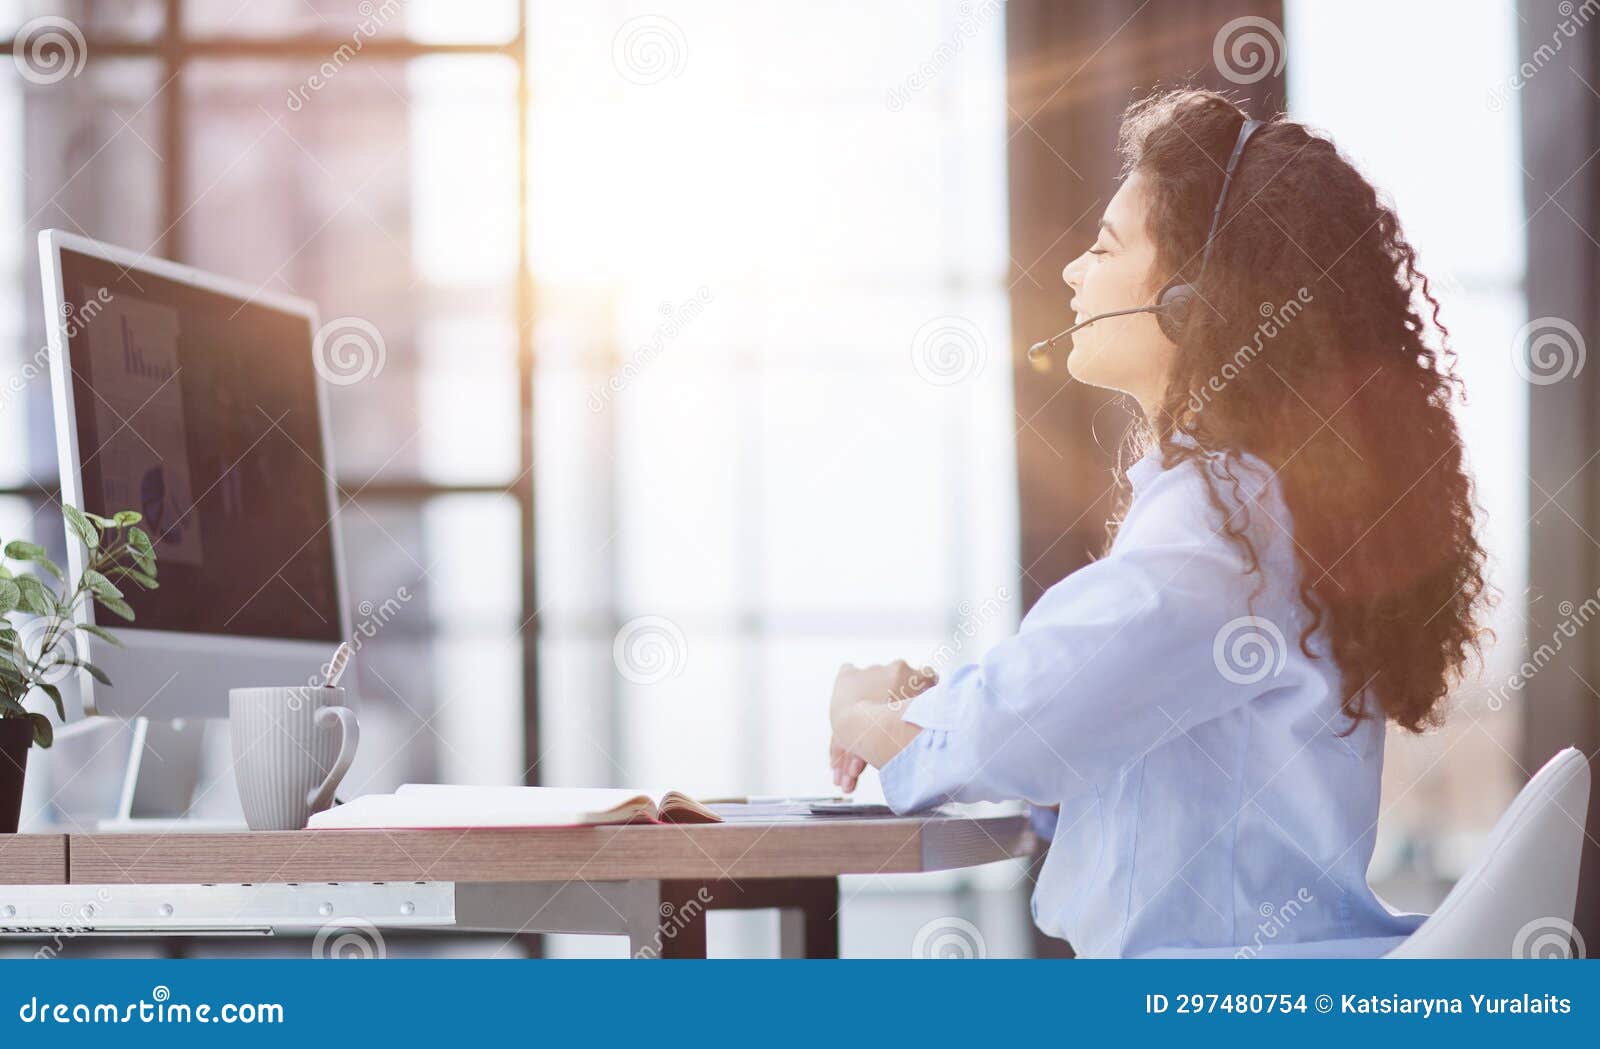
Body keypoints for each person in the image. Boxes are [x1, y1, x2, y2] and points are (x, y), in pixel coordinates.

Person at [826, 88, 1490, 958]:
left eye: (1104, 247)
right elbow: (1083, 715)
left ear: (1189, 302)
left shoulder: (1218, 526)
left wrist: (862, 712)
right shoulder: (1254, 505)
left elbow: (1012, 730)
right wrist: (940, 708)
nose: (1073, 273)